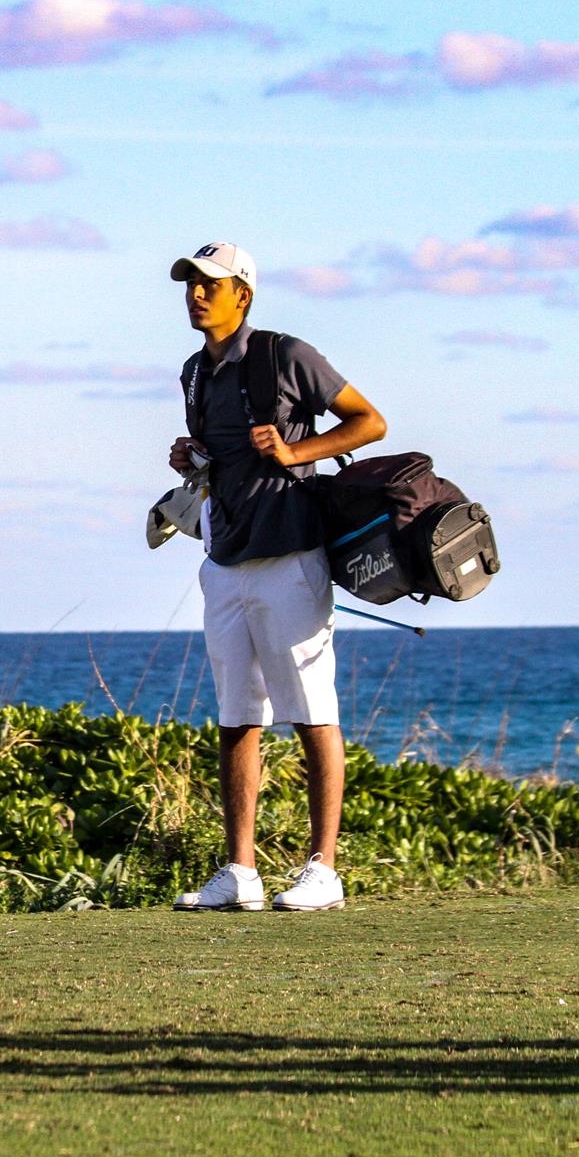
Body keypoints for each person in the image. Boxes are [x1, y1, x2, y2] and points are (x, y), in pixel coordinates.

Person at [165, 241, 386, 913]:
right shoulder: (192, 374)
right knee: (237, 719)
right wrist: (191, 458)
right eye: (191, 283)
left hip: (291, 554)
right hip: (224, 558)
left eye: (210, 283)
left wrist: (297, 450)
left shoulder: (286, 354)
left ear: (243, 293)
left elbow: (369, 421)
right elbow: (222, 458)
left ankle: (325, 869)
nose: (196, 293)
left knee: (314, 712)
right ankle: (241, 871)